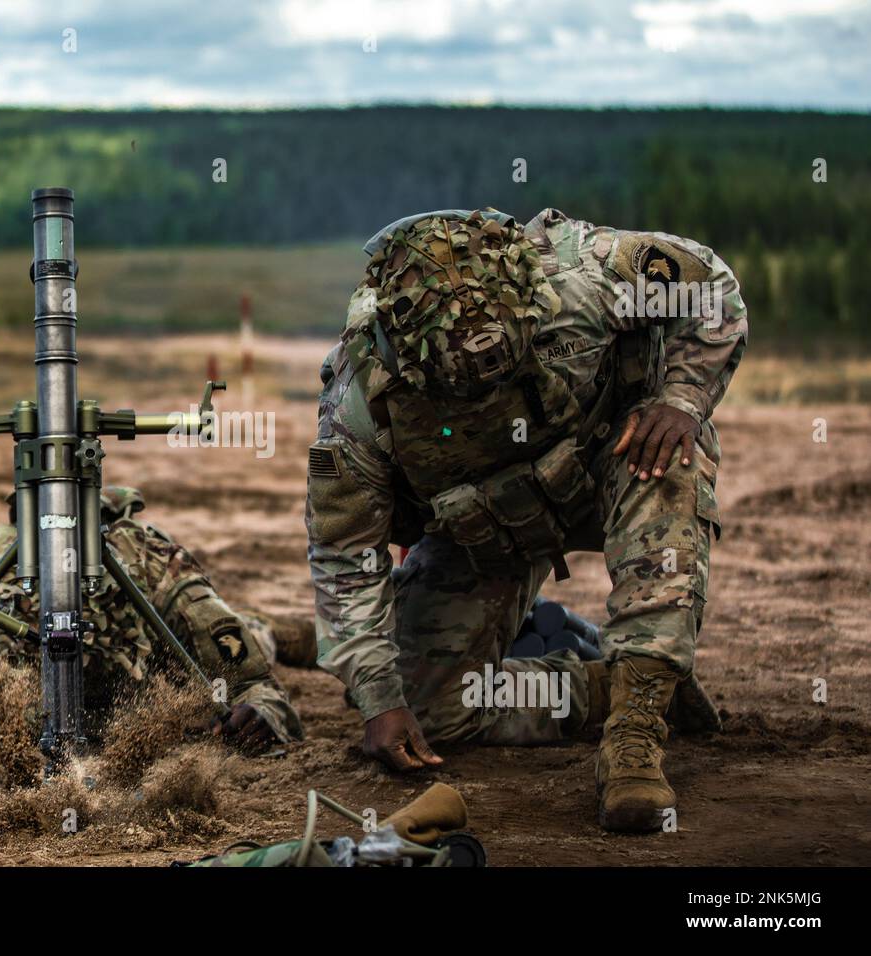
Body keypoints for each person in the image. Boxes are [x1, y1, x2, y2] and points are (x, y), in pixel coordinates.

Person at [306, 208, 744, 831]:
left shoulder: (582, 275)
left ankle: (636, 734)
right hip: (486, 522)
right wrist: (379, 698)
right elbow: (345, 553)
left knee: (670, 460)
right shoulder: (361, 399)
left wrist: (681, 400)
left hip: (610, 461)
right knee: (427, 716)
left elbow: (713, 287)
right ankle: (602, 689)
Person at [0, 486, 304, 769]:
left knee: (254, 635)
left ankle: (277, 626)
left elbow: (256, 684)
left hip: (153, 676)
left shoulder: (151, 568)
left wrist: (260, 713)